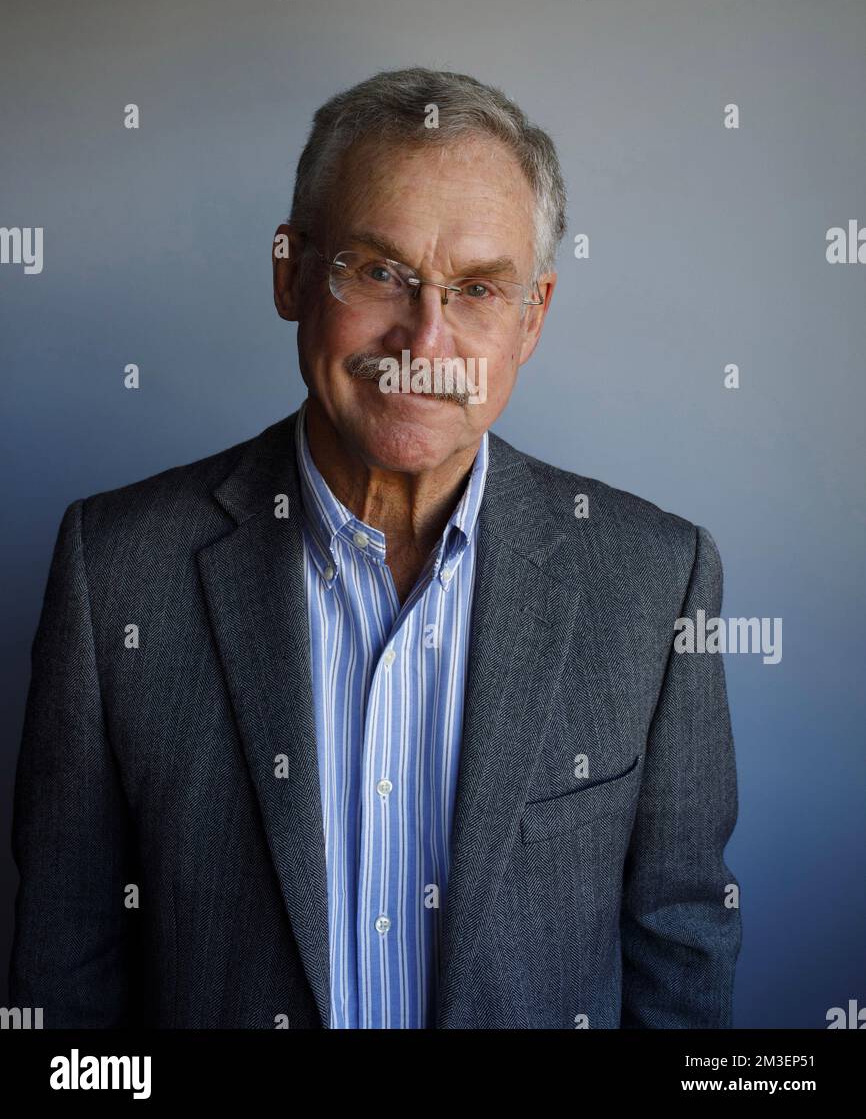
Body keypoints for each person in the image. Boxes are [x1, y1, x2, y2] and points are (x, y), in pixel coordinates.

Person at [8, 67, 741, 1029]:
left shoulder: (656, 580)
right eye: (378, 271)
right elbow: (66, 965)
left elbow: (681, 952)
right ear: (291, 272)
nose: (423, 341)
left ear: (534, 316)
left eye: (478, 289)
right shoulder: (115, 571)